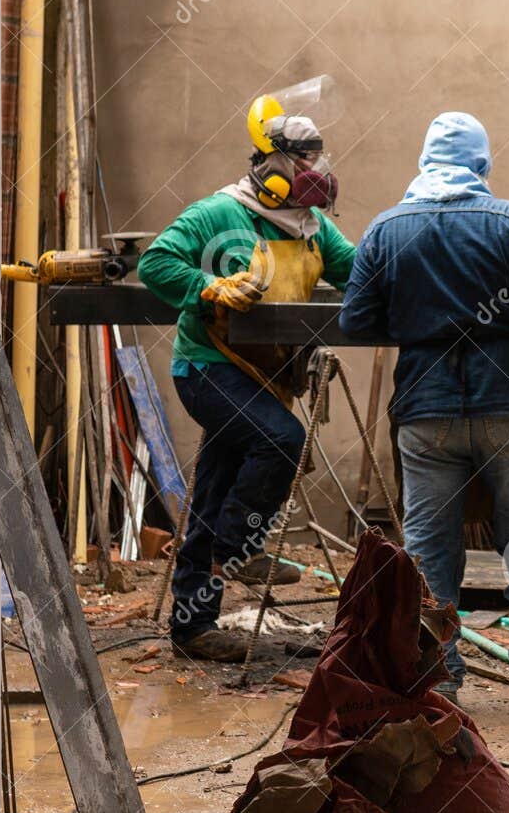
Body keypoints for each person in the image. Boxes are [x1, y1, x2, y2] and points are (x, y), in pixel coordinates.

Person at [340, 111, 509, 709]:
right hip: (507, 406)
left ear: (424, 162)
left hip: (425, 410)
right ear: (482, 162)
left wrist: (422, 322)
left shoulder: (386, 229)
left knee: (427, 547)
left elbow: (356, 320)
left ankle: (438, 677)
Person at [140, 82, 357, 661]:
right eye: (300, 161)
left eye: (315, 160)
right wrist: (207, 285)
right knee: (281, 440)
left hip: (265, 379)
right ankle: (240, 551)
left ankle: (193, 627)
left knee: (212, 494)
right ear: (270, 166)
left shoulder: (312, 227)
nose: (312, 172)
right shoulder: (219, 212)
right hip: (209, 368)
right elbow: (155, 262)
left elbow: (357, 272)